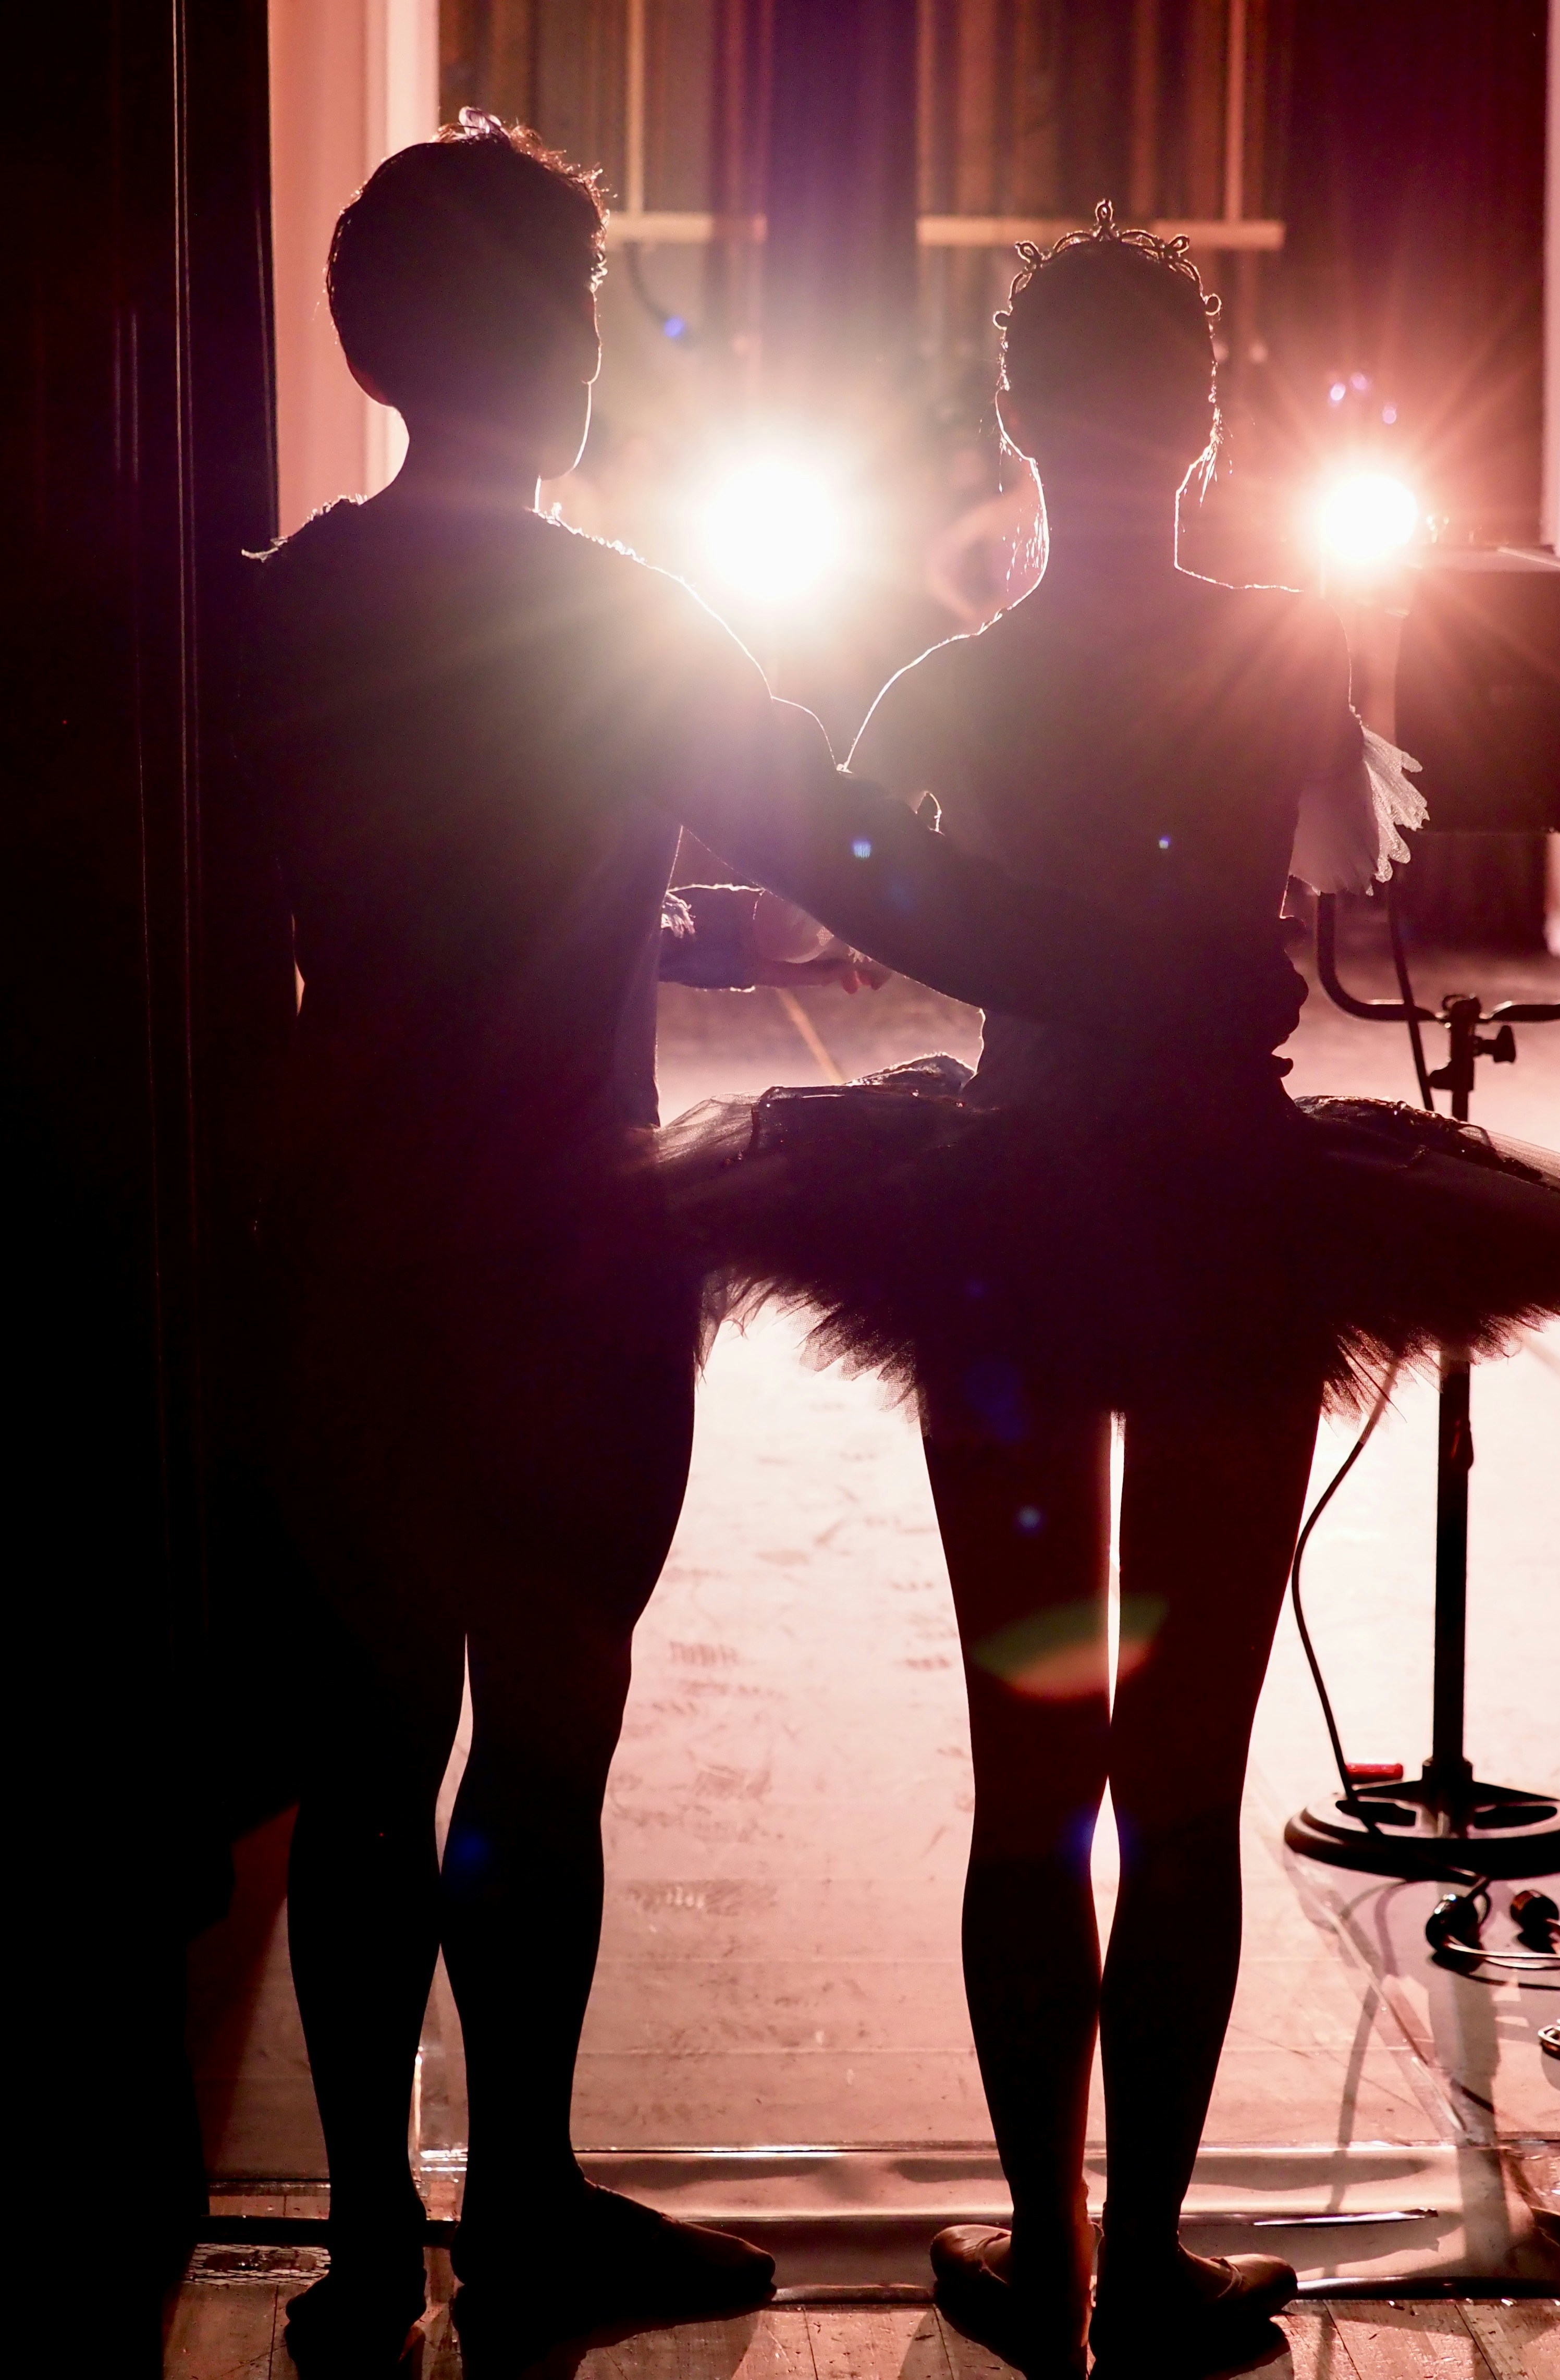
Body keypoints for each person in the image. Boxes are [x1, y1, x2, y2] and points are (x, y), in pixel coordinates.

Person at [656, 207, 1560, 2378]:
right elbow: (1315, 883)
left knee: (1024, 1781)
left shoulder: (948, 680)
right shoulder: (1282, 657)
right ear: (1196, 421)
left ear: (1011, 416)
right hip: (1230, 1210)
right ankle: (1149, 2251)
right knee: (1179, 1783)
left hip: (994, 1213)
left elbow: (875, 920)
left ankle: (1045, 2249)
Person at [237, 127, 1308, 2374]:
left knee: (359, 1746)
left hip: (334, 1233)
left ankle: (359, 2246)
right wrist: (1154, 978)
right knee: (541, 1738)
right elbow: (880, 869)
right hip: (566, 1235)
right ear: (564, 347)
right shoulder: (617, 619)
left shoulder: (278, 607)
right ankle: (516, 2201)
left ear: (367, 343)